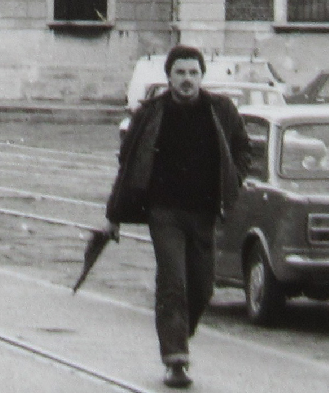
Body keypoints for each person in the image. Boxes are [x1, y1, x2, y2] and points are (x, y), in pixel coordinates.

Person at [105, 45, 253, 389]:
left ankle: (175, 335)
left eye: (193, 73)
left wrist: (234, 176)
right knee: (174, 282)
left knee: (202, 287)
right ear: (169, 76)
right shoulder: (151, 113)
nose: (187, 80)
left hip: (204, 213)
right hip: (164, 212)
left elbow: (243, 148)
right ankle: (176, 360)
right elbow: (128, 166)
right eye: (180, 73)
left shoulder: (221, 110)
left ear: (202, 76)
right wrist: (113, 216)